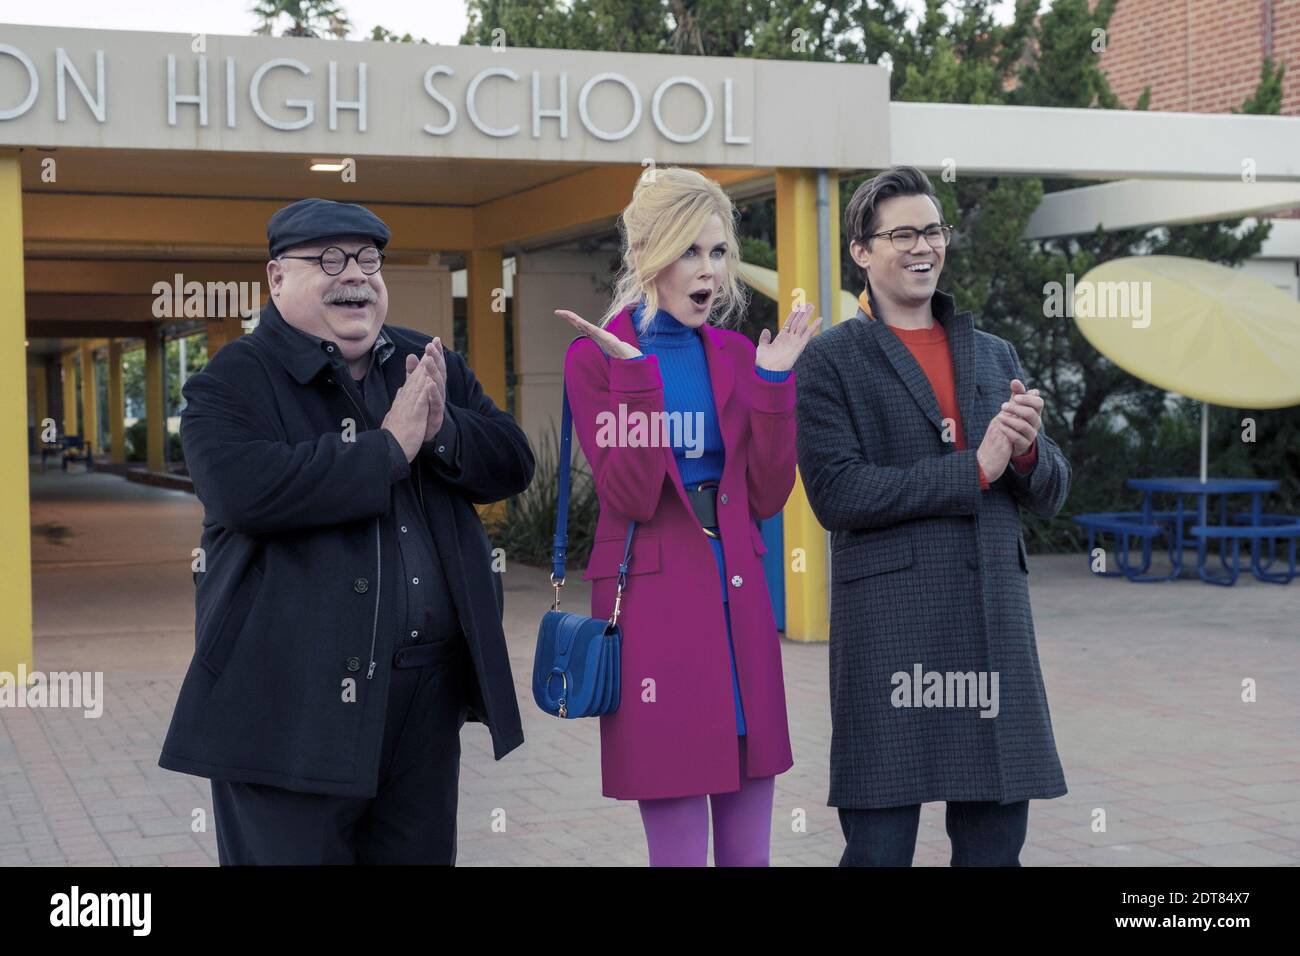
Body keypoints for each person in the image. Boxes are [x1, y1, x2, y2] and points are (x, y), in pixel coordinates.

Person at [159, 198, 534, 864]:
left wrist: (440, 428)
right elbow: (246, 491)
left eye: (367, 259)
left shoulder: (424, 362)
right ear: (277, 280)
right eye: (328, 259)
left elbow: (510, 461)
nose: (353, 275)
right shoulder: (229, 382)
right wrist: (389, 448)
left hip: (422, 701)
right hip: (284, 709)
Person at [794, 166, 1071, 867]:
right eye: (903, 233)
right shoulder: (829, 361)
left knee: (993, 848)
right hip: (891, 633)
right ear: (861, 250)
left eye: (934, 230)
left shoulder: (995, 353)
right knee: (879, 850)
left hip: (991, 628)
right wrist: (972, 469)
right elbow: (838, 494)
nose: (925, 246)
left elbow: (1052, 490)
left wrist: (1030, 453)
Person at [557, 167, 819, 866]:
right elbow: (633, 497)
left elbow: (767, 496)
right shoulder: (595, 360)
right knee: (676, 849)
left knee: (749, 849)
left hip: (739, 603)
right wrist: (638, 379)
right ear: (648, 254)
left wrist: (773, 385)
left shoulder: (737, 354)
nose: (709, 271)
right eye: (690, 251)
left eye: (719, 252)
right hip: (654, 614)